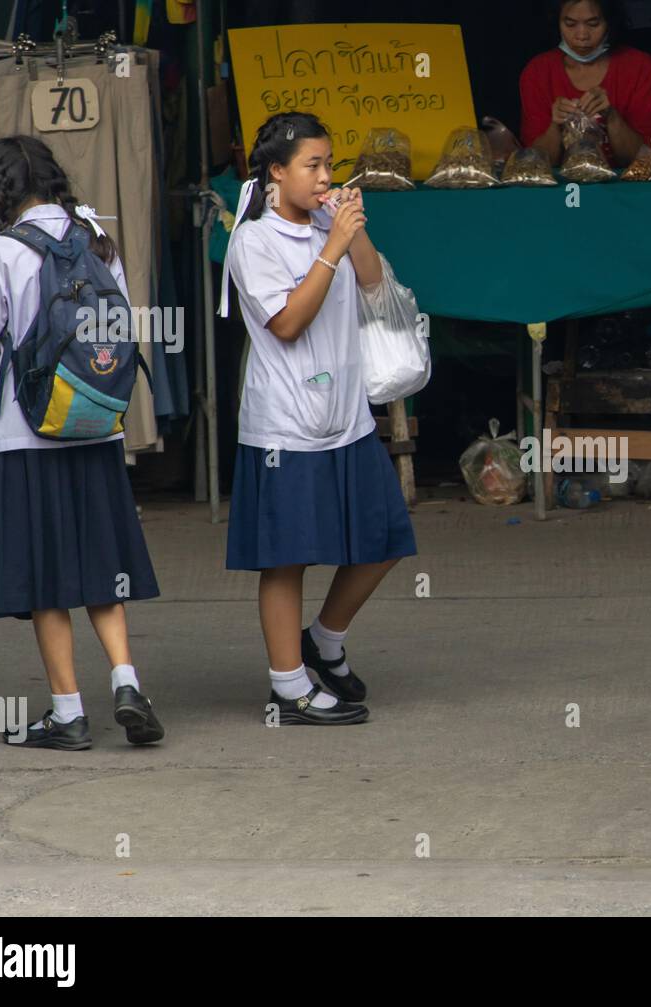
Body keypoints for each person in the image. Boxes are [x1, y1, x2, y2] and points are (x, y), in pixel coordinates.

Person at [0, 135, 164, 750]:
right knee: (101, 565)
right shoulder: (97, 236)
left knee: (47, 578)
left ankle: (68, 713)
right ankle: (126, 680)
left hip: (23, 435)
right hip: (95, 421)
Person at [220, 111, 418, 726]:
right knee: (288, 557)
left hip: (348, 415)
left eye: (330, 164)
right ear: (276, 172)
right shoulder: (253, 241)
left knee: (383, 538)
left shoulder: (328, 222)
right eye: (313, 164)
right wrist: (330, 246)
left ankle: (324, 643)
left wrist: (350, 232)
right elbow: (286, 323)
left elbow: (374, 283)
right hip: (284, 425)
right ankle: (288, 687)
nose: (326, 176)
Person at [520, 0, 651, 168]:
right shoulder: (538, 72)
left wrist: (612, 117)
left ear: (609, 22)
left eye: (593, 24)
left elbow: (648, 160)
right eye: (570, 24)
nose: (582, 36)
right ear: (557, 22)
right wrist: (556, 126)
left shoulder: (640, 67)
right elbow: (535, 166)